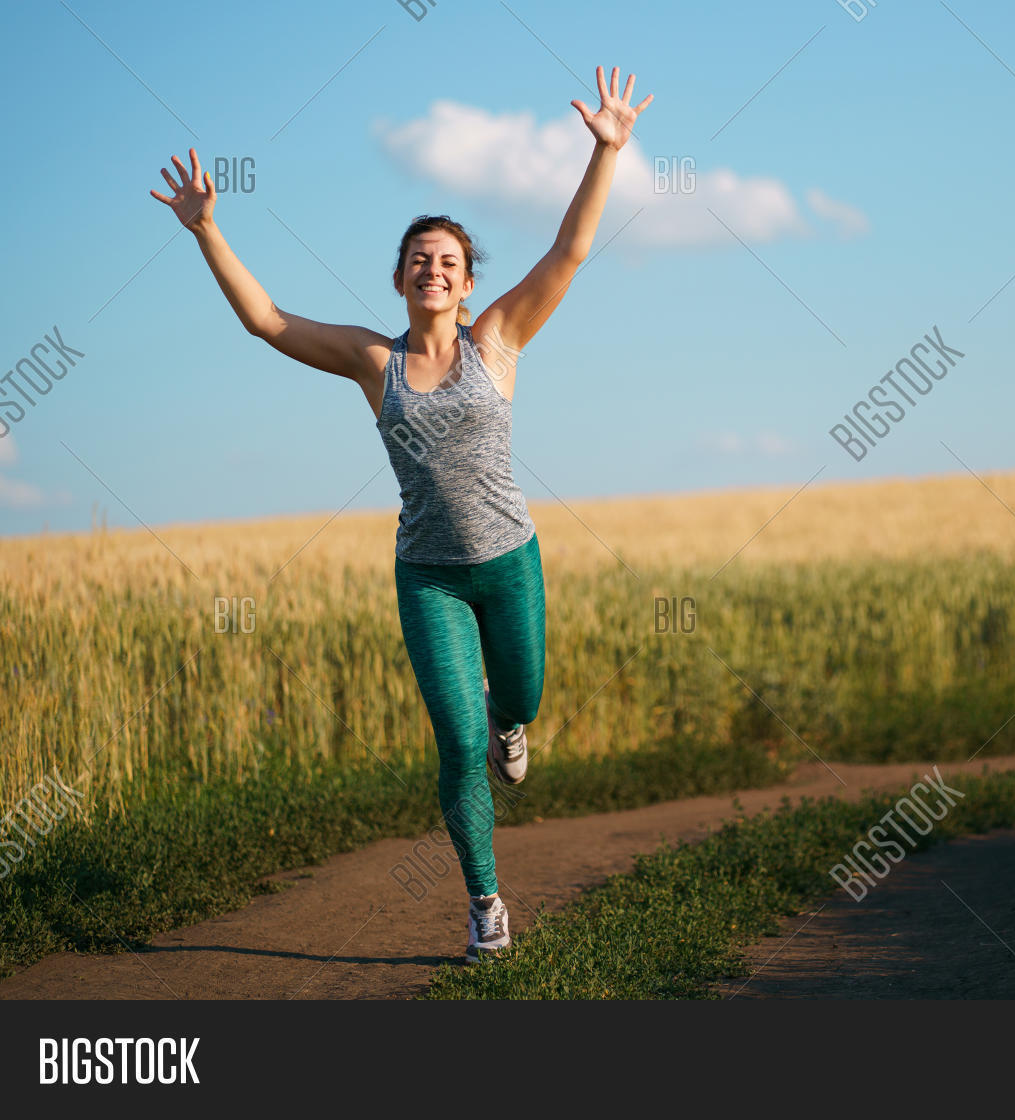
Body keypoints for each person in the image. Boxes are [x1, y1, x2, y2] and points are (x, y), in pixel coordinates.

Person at [151, 66, 653, 963]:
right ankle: (486, 904)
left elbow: (570, 252)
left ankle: (511, 721)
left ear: (467, 285)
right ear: (399, 277)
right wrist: (206, 231)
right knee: (457, 743)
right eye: (420, 258)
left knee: (521, 698)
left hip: (510, 562)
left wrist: (606, 151)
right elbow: (266, 321)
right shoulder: (371, 361)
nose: (433, 269)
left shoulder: (497, 340)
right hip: (429, 580)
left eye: (448, 261)